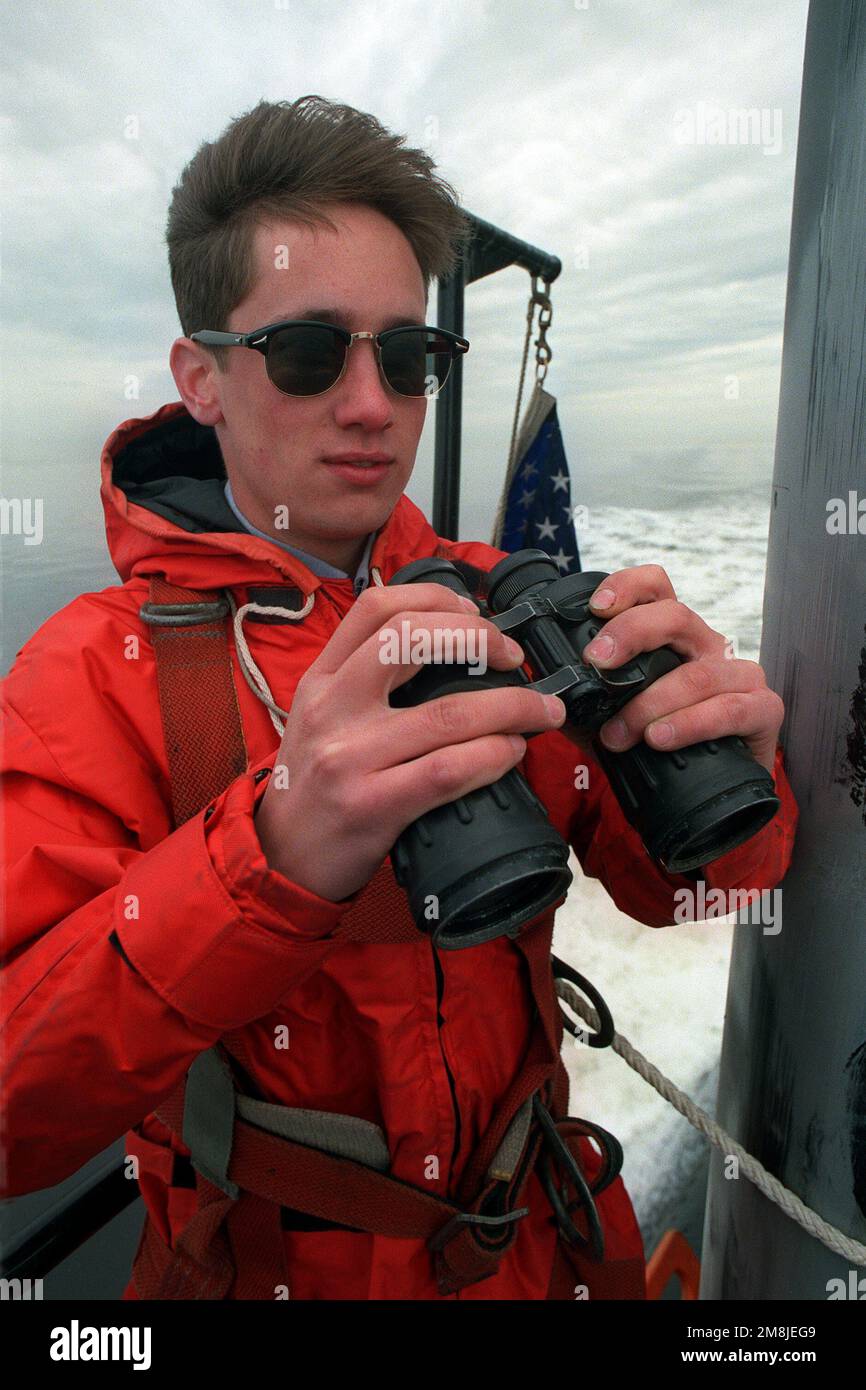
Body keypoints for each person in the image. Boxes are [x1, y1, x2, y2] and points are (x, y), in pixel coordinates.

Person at [0, 95, 798, 1301]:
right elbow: (16, 1119)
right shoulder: (89, 675)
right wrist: (264, 855)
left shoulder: (495, 605)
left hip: (540, 1245)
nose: (373, 404)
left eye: (410, 355)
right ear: (201, 378)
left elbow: (685, 886)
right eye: (309, 353)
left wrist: (719, 751)